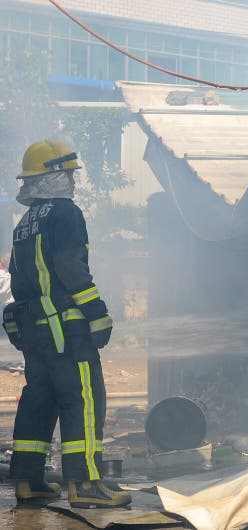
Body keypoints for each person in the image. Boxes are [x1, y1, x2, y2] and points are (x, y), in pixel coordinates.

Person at [1, 139, 131, 508]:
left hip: (34, 333)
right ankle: (86, 485)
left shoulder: (25, 223)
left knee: (39, 401)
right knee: (84, 401)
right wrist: (98, 312)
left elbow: (20, 280)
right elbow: (71, 268)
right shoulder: (65, 213)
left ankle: (28, 480)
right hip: (66, 332)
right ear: (52, 176)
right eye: (69, 173)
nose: (74, 181)